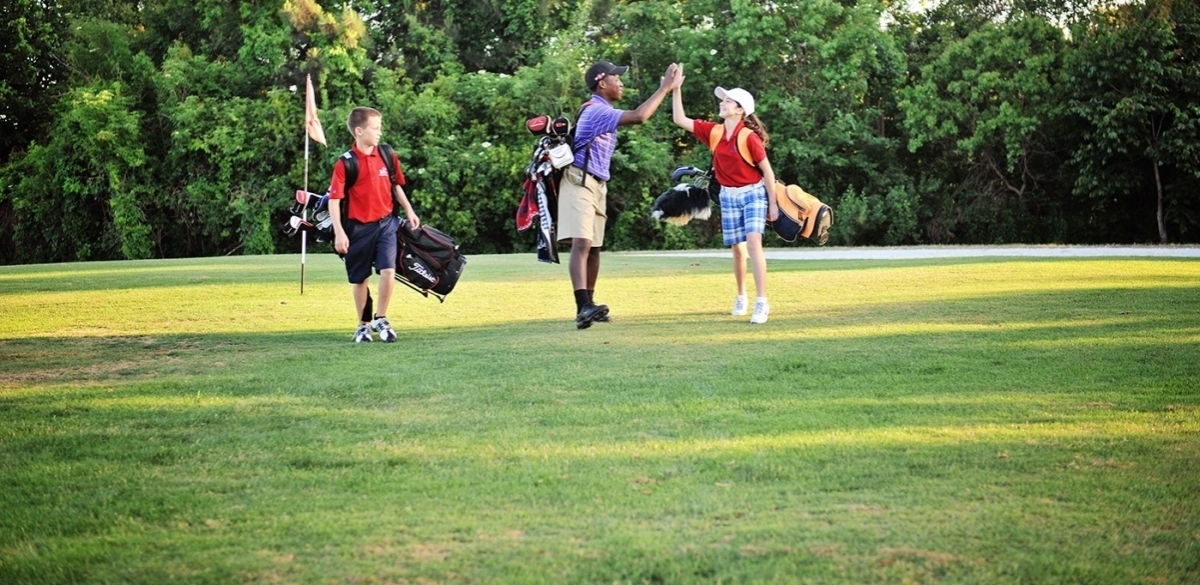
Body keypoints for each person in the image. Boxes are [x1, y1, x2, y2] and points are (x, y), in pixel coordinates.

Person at [559, 61, 682, 329]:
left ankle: (590, 306)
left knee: (594, 247)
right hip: (580, 180)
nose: (621, 83)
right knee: (582, 243)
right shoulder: (596, 110)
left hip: (596, 183)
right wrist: (664, 88)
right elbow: (640, 116)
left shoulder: (602, 109)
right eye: (617, 78)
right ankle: (582, 306)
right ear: (602, 83)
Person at [670, 68, 779, 324]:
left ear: (740, 110)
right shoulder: (715, 132)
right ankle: (741, 296)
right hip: (728, 196)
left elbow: (767, 172)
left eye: (728, 101)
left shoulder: (749, 137)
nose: (722, 103)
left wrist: (772, 204)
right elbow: (679, 119)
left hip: (753, 194)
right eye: (724, 100)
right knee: (737, 251)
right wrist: (676, 89)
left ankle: (761, 302)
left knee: (753, 245)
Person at [328, 107, 420, 342]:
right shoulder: (345, 163)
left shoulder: (388, 155)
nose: (380, 132)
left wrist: (409, 210)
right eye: (375, 128)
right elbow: (334, 200)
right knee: (361, 279)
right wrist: (339, 232)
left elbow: (396, 185)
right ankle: (363, 325)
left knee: (388, 270)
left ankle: (381, 317)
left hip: (386, 224)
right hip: (357, 229)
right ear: (359, 131)